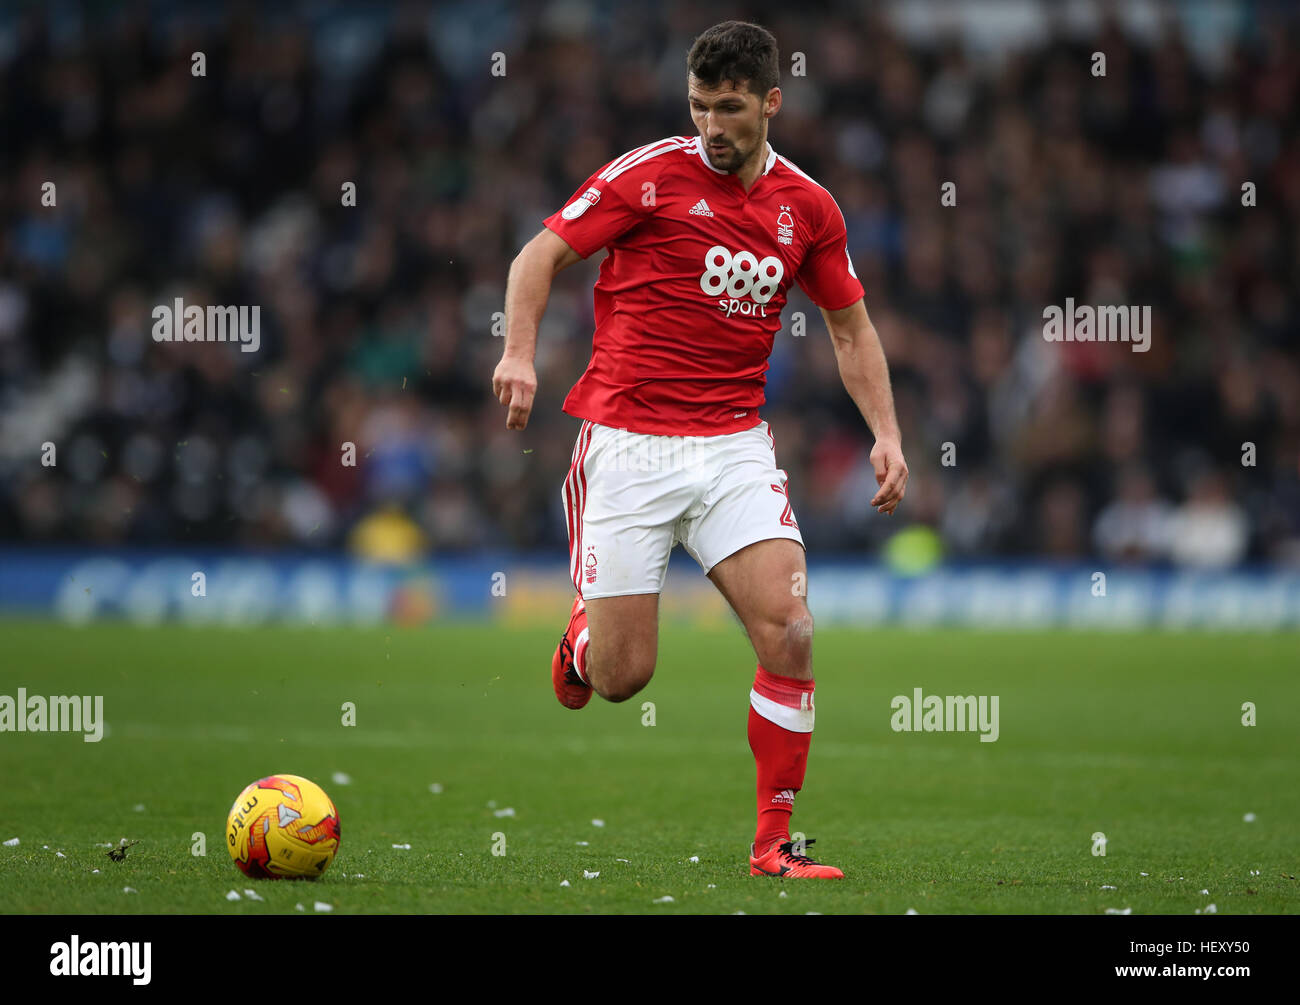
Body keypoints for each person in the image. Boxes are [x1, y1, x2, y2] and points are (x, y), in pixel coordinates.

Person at [492, 20, 907, 879]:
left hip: (732, 450)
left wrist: (888, 435)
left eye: (729, 108)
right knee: (621, 678)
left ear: (771, 104)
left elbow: (851, 329)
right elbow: (538, 257)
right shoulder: (645, 177)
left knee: (792, 627)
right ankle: (581, 642)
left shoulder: (810, 209)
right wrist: (519, 353)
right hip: (628, 445)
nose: (713, 126)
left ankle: (772, 845)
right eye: (699, 107)